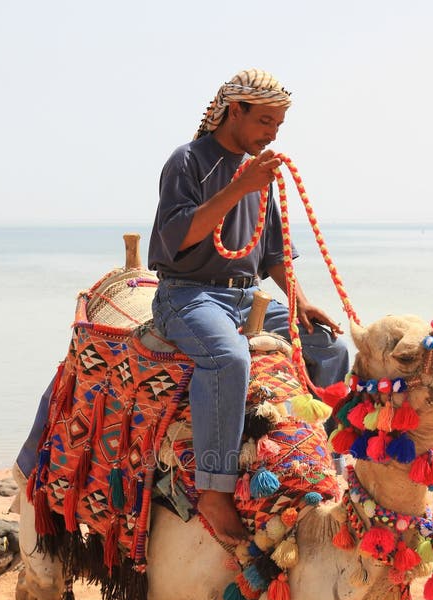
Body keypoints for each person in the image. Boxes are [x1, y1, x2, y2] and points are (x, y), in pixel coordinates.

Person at [149, 68, 350, 545]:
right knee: (228, 358)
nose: (272, 133)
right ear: (234, 111)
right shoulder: (188, 161)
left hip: (245, 295)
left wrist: (300, 303)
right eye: (264, 121)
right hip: (189, 293)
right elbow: (180, 236)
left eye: (278, 125)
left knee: (330, 349)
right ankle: (213, 488)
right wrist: (242, 185)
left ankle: (324, 457)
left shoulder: (259, 171)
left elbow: (275, 252)